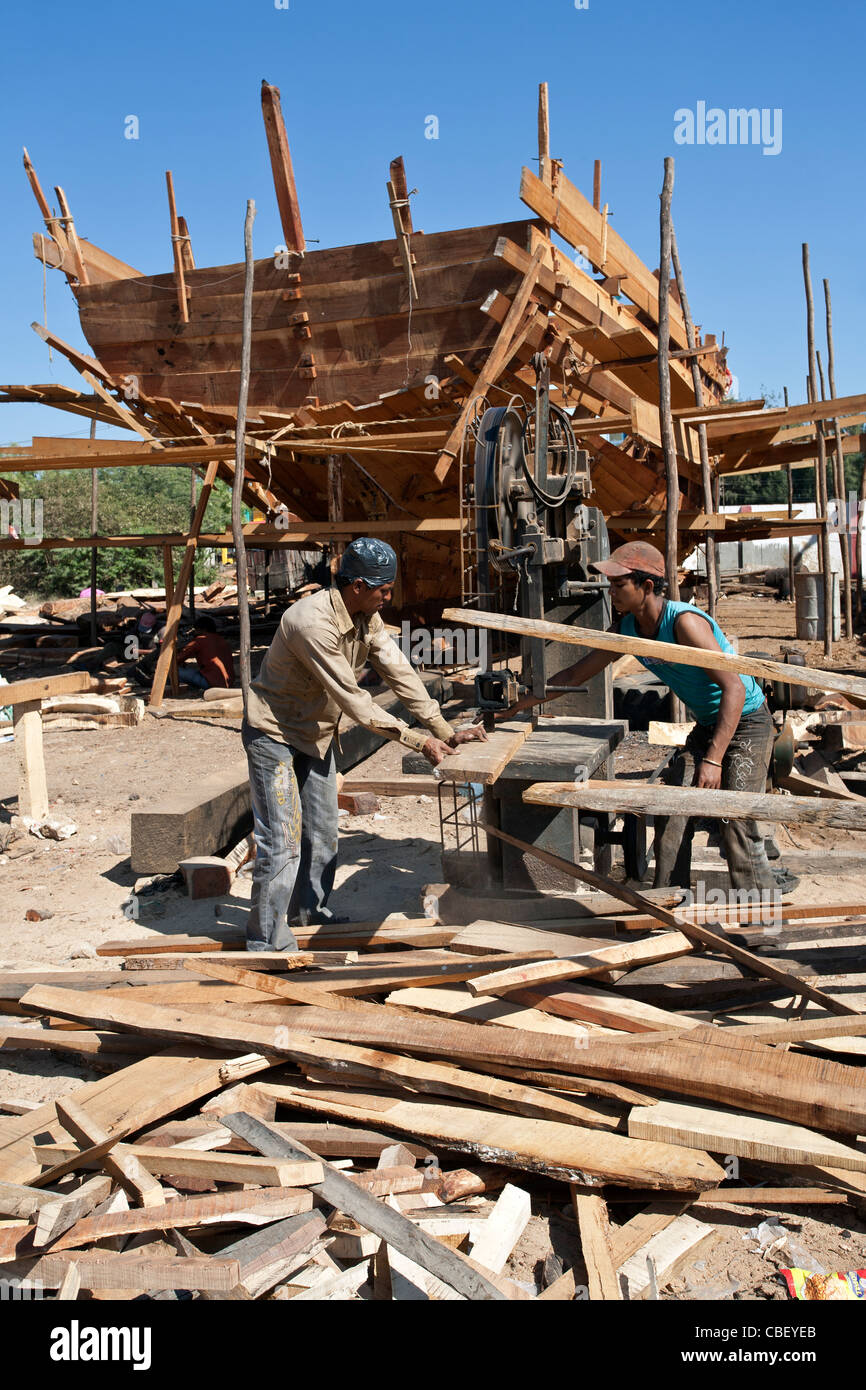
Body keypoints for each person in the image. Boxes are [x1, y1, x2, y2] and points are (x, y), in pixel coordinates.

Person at [242, 537, 486, 951]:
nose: (388, 598)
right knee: (282, 839)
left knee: (322, 834)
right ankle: (266, 942)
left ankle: (309, 915)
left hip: (315, 735)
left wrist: (443, 729)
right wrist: (416, 740)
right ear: (356, 585)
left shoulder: (365, 616)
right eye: (382, 590)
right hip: (275, 736)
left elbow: (399, 672)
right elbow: (354, 701)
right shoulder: (311, 623)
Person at [504, 540, 784, 896]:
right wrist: (516, 704)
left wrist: (713, 760)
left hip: (747, 723)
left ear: (647, 586)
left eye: (619, 586)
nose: (612, 594)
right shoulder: (628, 629)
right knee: (669, 810)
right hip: (710, 724)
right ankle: (669, 905)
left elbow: (735, 689)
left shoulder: (684, 623)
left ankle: (761, 922)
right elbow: (575, 675)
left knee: (735, 821)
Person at [177, 615, 235, 691]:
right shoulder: (222, 640)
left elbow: (178, 659)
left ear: (202, 629)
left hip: (212, 683)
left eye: (196, 629)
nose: (195, 632)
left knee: (174, 671)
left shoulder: (200, 640)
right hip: (228, 682)